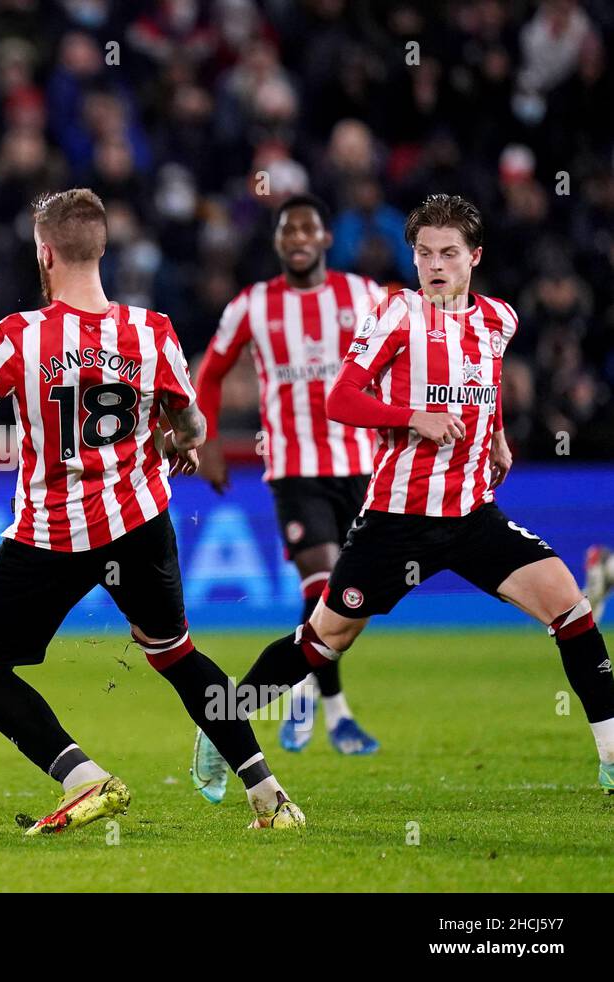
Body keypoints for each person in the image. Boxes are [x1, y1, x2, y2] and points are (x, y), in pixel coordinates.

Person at [0, 188, 306, 833]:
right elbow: (192, 425)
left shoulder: (18, 339)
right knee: (177, 655)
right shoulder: (152, 334)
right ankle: (270, 798)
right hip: (140, 522)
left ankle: (84, 777)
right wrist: (170, 444)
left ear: (44, 253)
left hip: (54, 534)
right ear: (101, 249)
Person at [194, 194, 614, 797]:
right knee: (323, 640)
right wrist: (411, 416)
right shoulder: (396, 315)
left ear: (475, 257)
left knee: (571, 610)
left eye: (448, 253)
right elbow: (341, 398)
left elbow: (484, 382)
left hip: (472, 516)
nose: (436, 265)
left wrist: (493, 436)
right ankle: (223, 720)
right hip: (397, 520)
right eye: (424, 254)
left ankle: (610, 757)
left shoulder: (499, 319)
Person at [193, 193, 383, 765]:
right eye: (287, 230)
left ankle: (300, 689)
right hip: (295, 468)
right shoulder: (252, 305)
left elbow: (405, 360)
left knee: (351, 601)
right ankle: (330, 709)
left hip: (362, 468)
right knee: (322, 587)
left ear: (326, 238)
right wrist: (207, 443)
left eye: (309, 228)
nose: (298, 237)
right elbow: (211, 372)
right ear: (278, 242)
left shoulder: (365, 296)